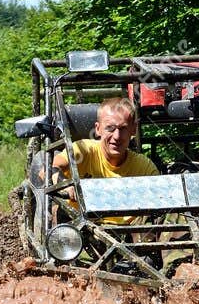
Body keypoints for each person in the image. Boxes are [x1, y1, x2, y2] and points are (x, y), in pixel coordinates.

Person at [51, 96, 157, 227]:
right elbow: (50, 167)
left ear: (133, 130)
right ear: (98, 129)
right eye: (110, 128)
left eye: (123, 128)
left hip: (131, 234)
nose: (117, 137)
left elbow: (161, 199)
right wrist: (64, 183)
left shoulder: (144, 167)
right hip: (83, 229)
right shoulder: (83, 150)